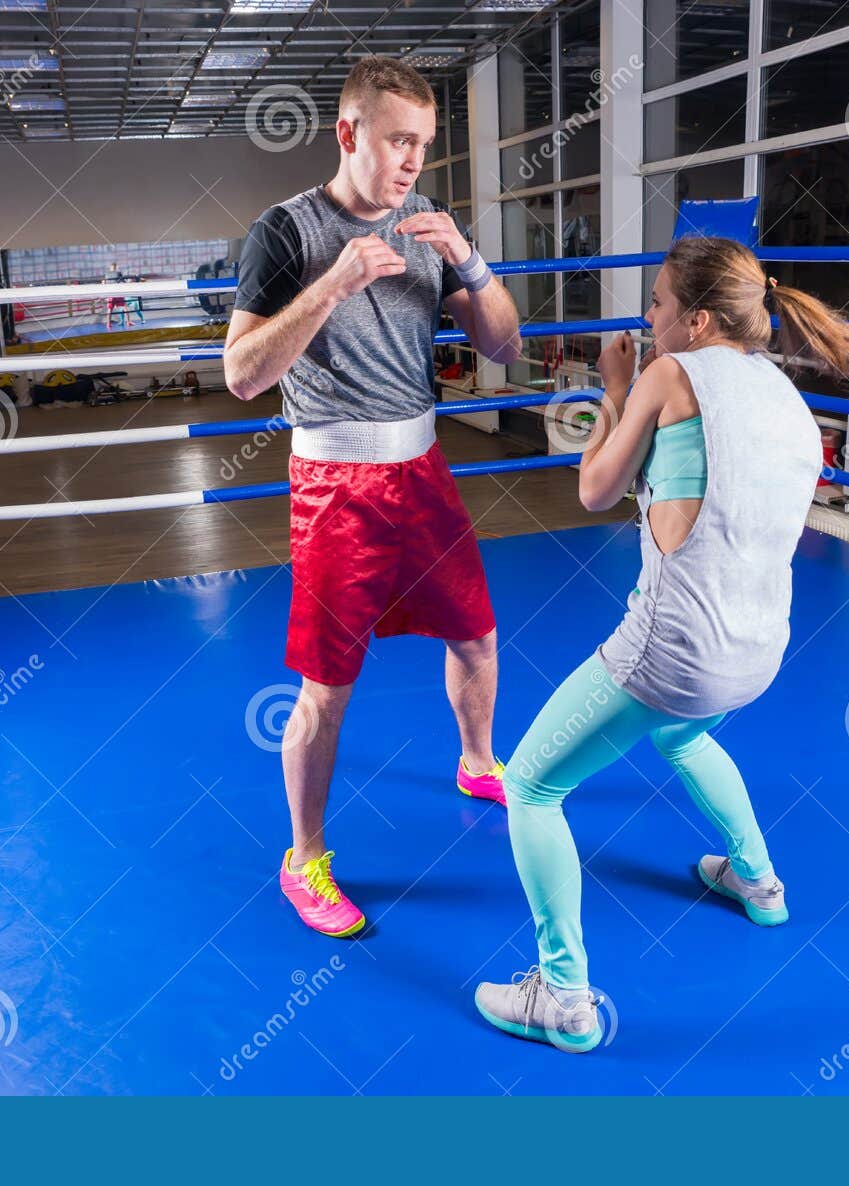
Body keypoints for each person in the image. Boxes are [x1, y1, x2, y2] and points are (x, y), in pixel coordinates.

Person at [473, 236, 849, 1051]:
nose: (650, 314)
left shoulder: (670, 374)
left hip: (671, 652)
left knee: (529, 787)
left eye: (661, 303)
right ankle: (757, 878)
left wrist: (613, 389)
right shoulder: (784, 393)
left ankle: (562, 997)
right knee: (680, 731)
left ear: (699, 320)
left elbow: (594, 487)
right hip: (760, 649)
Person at [223, 56, 522, 938]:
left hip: (422, 470)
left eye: (423, 145)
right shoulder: (284, 233)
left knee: (476, 632)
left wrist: (468, 262)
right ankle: (303, 859)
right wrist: (335, 281)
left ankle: (475, 760)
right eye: (398, 140)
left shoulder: (432, 226)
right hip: (334, 487)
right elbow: (242, 376)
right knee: (327, 688)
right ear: (348, 133)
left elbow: (504, 348)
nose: (411, 162)